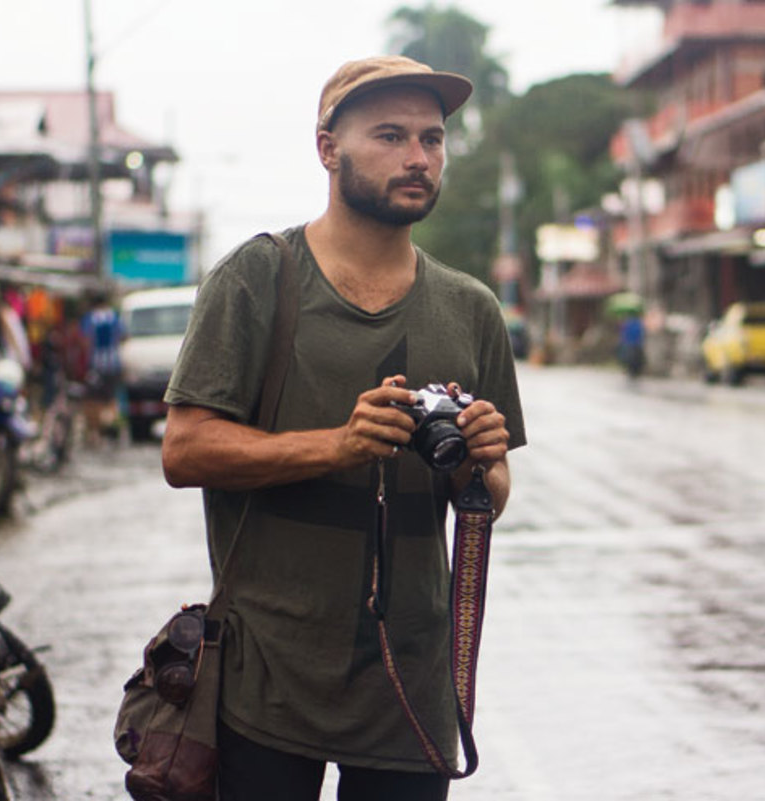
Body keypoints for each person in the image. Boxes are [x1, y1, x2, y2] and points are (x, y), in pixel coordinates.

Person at [161, 56, 525, 801]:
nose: (418, 157)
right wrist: (339, 444)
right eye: (390, 136)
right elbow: (184, 447)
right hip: (267, 680)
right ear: (328, 148)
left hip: (412, 686)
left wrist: (477, 463)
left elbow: (489, 494)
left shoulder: (471, 309)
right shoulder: (257, 279)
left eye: (433, 139)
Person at [79, 291, 127, 444]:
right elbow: (123, 336)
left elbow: (86, 341)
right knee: (112, 397)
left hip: (96, 365)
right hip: (113, 365)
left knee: (93, 399)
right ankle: (113, 427)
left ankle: (95, 432)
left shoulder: (89, 318)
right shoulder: (115, 316)